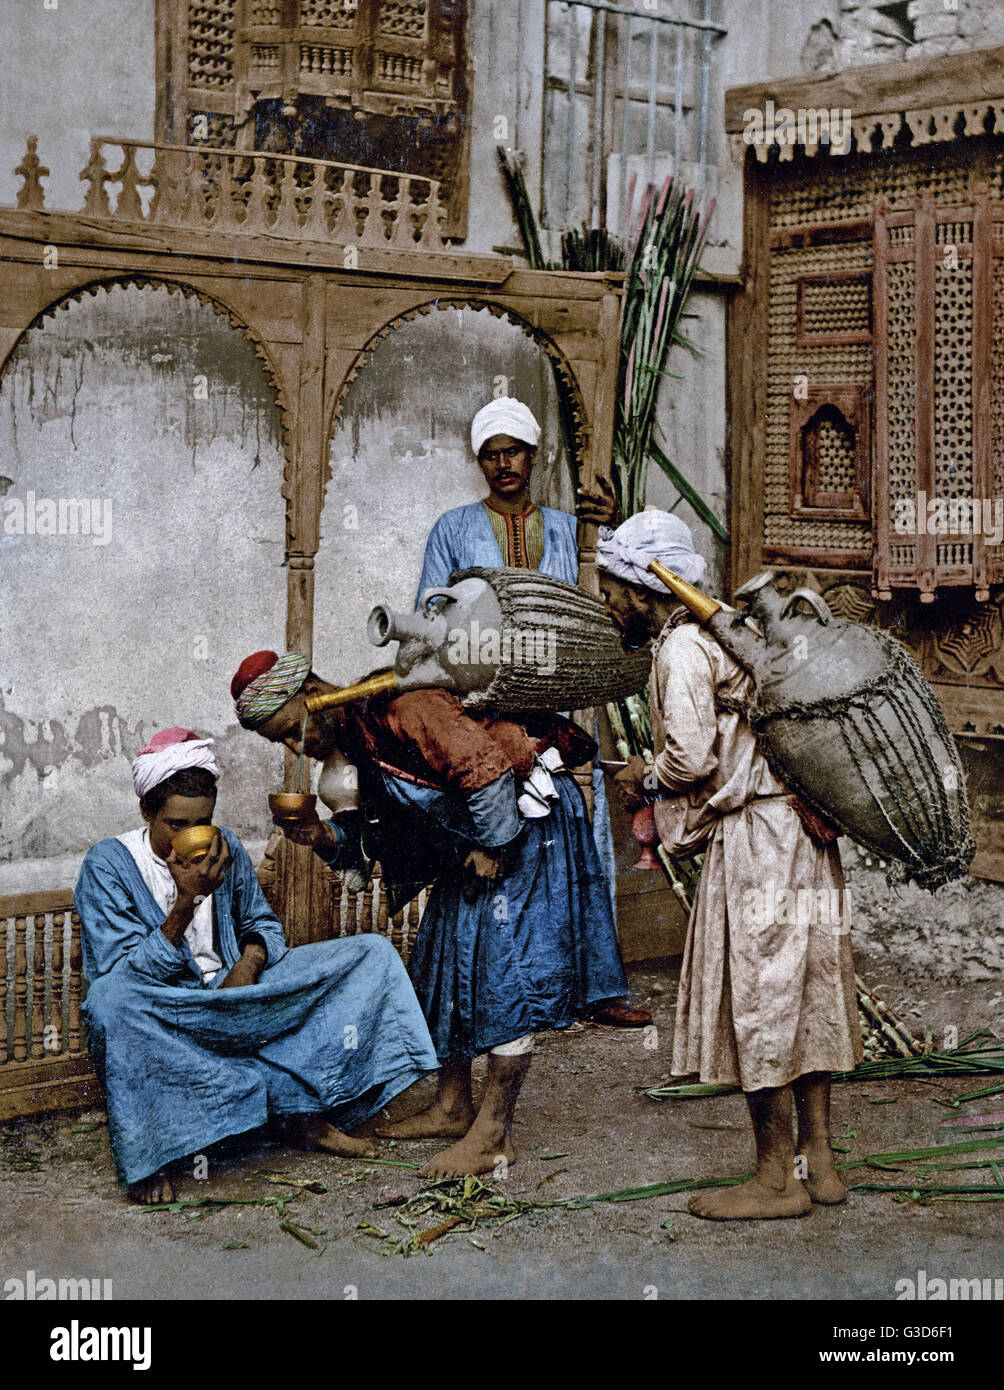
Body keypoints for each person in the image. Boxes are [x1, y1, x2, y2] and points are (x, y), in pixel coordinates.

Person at [233, 651, 628, 1178]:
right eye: (277, 742)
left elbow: (484, 773)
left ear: (311, 694)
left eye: (290, 729)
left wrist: (494, 845)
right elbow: (375, 841)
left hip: (527, 824)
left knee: (503, 972)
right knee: (443, 961)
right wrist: (321, 836)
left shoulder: (405, 705)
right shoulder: (355, 745)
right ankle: (452, 1105)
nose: (293, 746)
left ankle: (493, 1136)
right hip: (477, 843)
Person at [597, 511, 862, 1221]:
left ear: (640, 589)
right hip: (803, 832)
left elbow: (691, 759)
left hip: (758, 842)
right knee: (802, 992)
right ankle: (821, 1164)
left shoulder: (683, 647)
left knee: (762, 1001)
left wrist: (641, 774)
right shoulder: (734, 636)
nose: (606, 605)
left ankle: (776, 1180)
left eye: (610, 589)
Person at [75, 727, 438, 1204]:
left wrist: (247, 963)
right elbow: (122, 974)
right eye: (176, 825)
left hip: (243, 995)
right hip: (172, 1008)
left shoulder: (223, 847)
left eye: (202, 821)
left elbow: (262, 924)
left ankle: (305, 1114)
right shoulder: (108, 865)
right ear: (146, 812)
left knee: (371, 954)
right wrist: (185, 903)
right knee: (109, 1002)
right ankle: (153, 1152)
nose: (192, 837)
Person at [416, 396, 650, 1028]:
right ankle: (508, 996)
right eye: (490, 456)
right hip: (484, 706)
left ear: (532, 454)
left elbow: (623, 605)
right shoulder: (452, 528)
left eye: (512, 452)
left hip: (558, 699)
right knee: (499, 841)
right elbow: (433, 612)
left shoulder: (575, 530)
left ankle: (597, 988)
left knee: (578, 833)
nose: (502, 465)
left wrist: (613, 530)